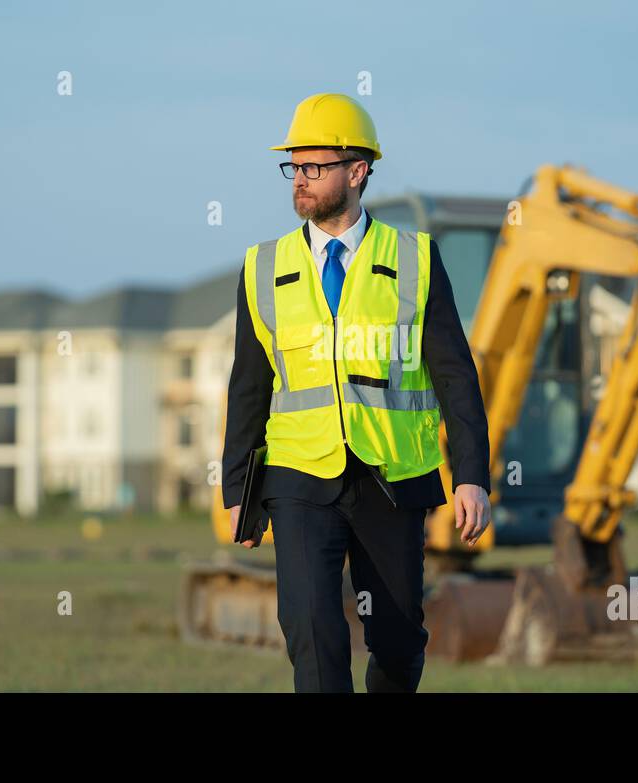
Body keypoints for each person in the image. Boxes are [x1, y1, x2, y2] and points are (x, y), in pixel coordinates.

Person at [221, 93, 492, 692]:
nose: (301, 180)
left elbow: (455, 374)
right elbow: (249, 385)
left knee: (397, 639)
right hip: (297, 477)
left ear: (357, 170)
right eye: (294, 167)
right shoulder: (261, 268)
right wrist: (236, 486)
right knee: (310, 627)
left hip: (392, 477)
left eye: (314, 166)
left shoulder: (416, 261)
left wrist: (472, 473)